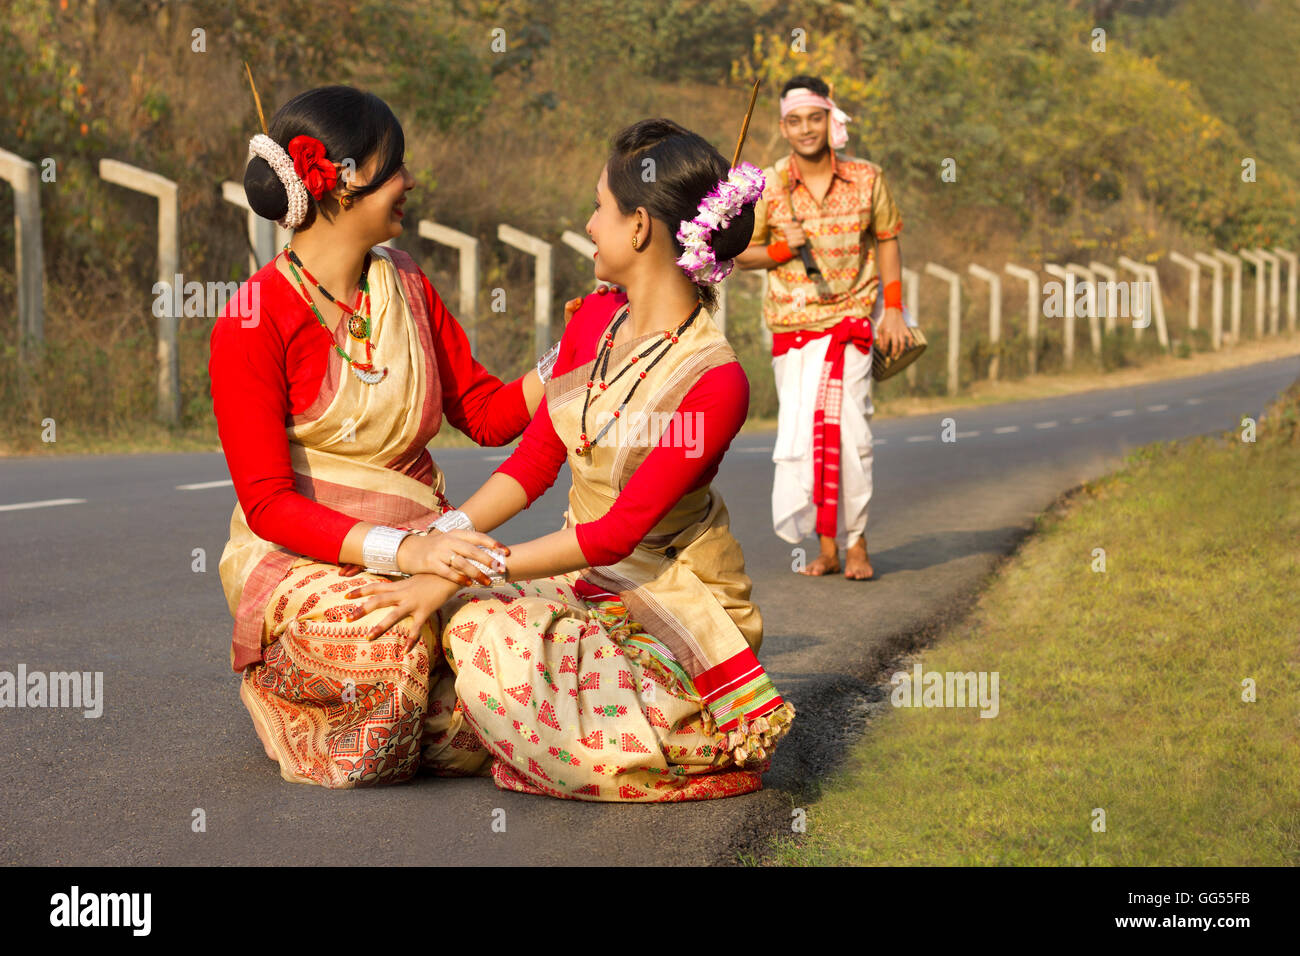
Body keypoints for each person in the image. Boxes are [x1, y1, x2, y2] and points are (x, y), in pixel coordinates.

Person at [345, 118, 795, 801]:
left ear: (639, 226)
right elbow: (531, 468)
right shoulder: (592, 322)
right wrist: (433, 547)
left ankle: (665, 735)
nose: (588, 225)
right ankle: (556, 728)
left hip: (663, 601)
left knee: (476, 626)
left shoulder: (715, 380)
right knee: (441, 647)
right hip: (579, 579)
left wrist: (462, 573)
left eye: (598, 207)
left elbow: (617, 535)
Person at [210, 84, 558, 787]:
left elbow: (487, 413)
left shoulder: (407, 285)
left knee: (533, 642)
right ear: (341, 184)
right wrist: (406, 551)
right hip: (313, 560)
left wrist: (569, 361)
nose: (408, 182)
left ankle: (442, 703)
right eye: (394, 165)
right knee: (385, 649)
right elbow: (271, 504)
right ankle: (291, 683)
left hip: (428, 550)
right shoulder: (252, 318)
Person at [736, 74, 912, 580]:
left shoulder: (867, 177)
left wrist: (894, 310)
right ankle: (827, 547)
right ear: (783, 126)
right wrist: (780, 250)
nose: (806, 129)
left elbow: (888, 240)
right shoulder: (767, 185)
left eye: (815, 118)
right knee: (803, 439)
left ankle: (857, 543)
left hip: (850, 325)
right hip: (792, 330)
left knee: (850, 432)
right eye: (795, 121)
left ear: (830, 119)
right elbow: (738, 254)